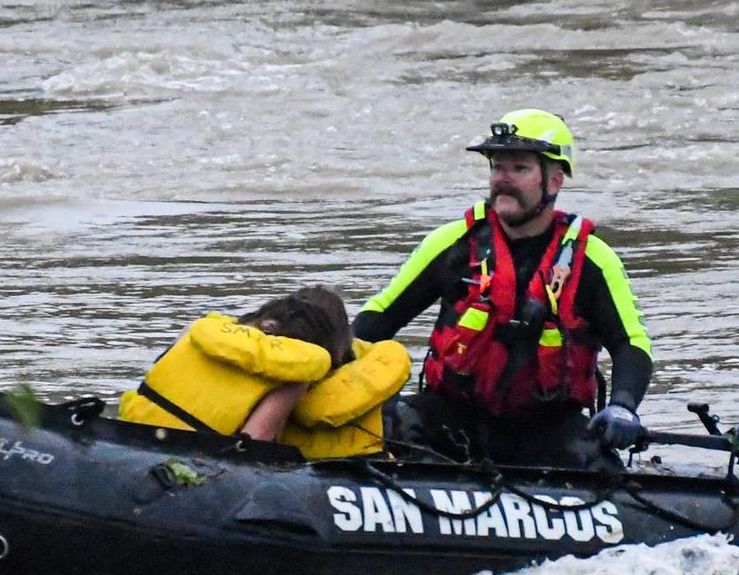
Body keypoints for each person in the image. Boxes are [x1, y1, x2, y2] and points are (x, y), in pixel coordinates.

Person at [352, 108, 652, 468]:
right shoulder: (453, 243)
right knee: (395, 418)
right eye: (497, 167)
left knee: (597, 463)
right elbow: (378, 319)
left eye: (519, 169)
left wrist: (622, 406)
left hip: (547, 430)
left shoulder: (593, 259)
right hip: (453, 422)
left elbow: (631, 343)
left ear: (554, 181)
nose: (503, 179)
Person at [119, 287, 410, 459]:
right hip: (193, 459)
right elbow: (254, 443)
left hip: (132, 438)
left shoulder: (204, 334)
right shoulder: (296, 374)